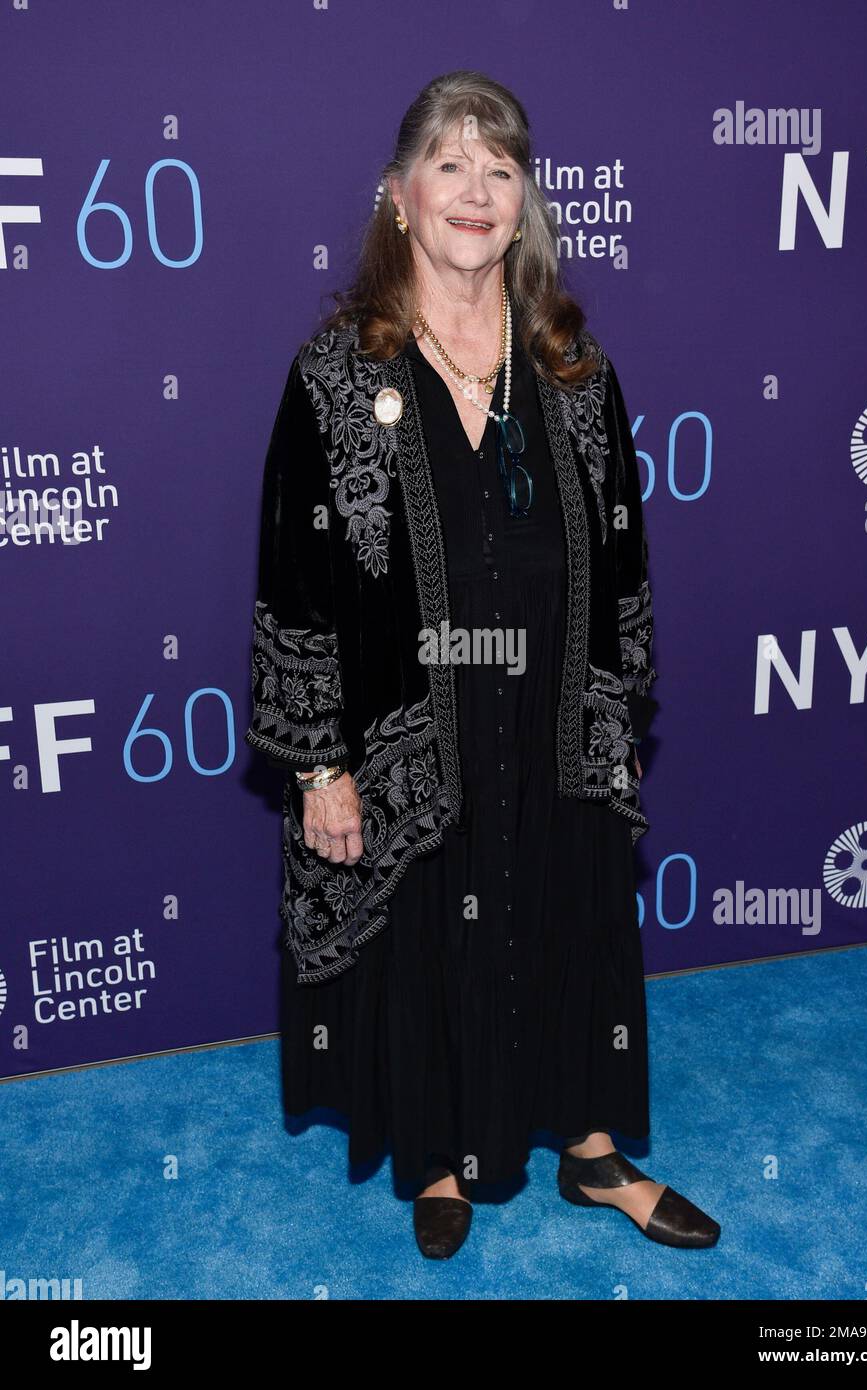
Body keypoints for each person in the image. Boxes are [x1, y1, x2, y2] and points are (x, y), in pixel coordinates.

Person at [245, 69, 720, 1259]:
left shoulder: (572, 365)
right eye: (448, 164)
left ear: (525, 201)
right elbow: (294, 586)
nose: (474, 189)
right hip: (414, 725)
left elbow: (623, 554)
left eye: (499, 168)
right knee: (431, 926)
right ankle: (442, 1151)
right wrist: (318, 771)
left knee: (569, 918)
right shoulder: (336, 377)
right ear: (398, 195)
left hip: (555, 716)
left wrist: (613, 711)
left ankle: (594, 1154)